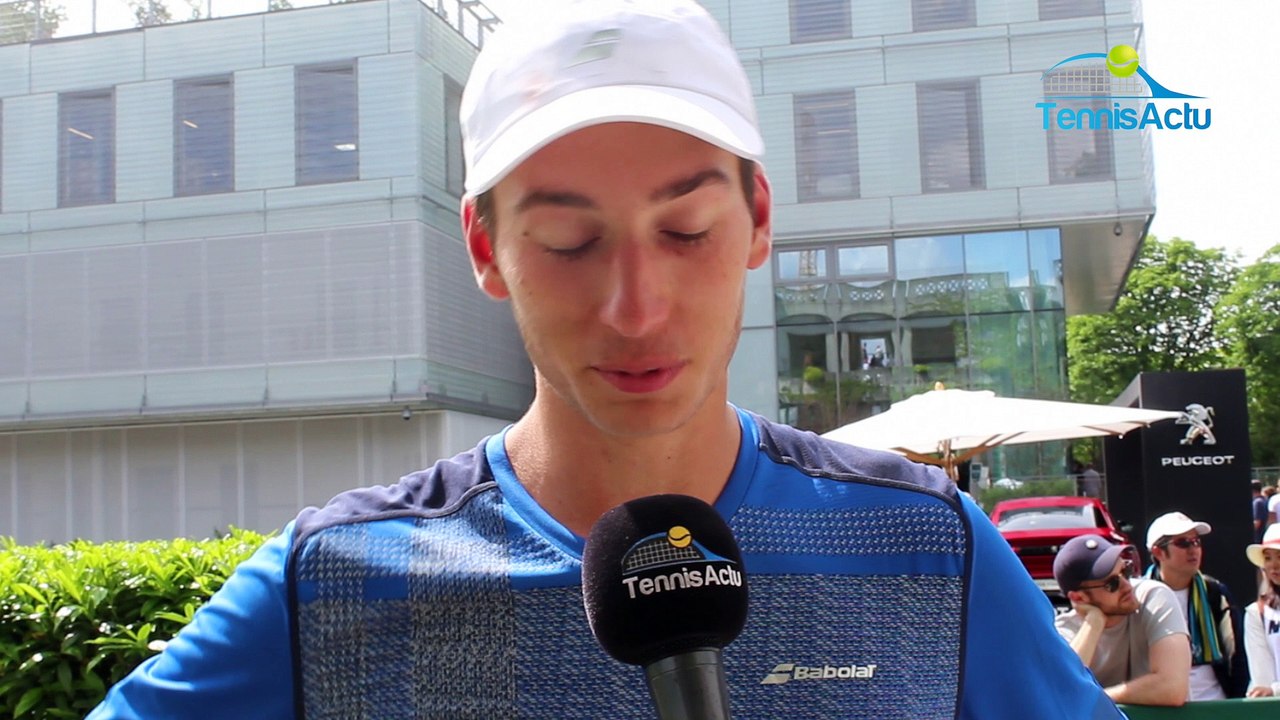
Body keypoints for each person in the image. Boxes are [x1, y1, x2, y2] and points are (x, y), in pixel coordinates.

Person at [88, 2, 1122, 718]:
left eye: (684, 231)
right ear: (486, 249)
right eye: (569, 242)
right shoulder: (335, 582)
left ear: (758, 220)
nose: (635, 309)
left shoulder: (928, 550)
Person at [1054, 535, 1191, 706]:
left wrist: (1095, 698)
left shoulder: (1153, 596)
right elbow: (1063, 692)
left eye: (1125, 571)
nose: (1127, 585)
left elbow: (1172, 688)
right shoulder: (1064, 632)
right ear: (1079, 598)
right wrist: (1094, 623)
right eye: (1111, 583)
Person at [1143, 512, 1247, 699]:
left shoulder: (1215, 592)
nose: (1193, 550)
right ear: (1158, 552)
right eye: (1183, 543)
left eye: (1196, 542)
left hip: (1216, 703)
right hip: (1162, 705)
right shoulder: (1140, 597)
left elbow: (1237, 654)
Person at [1244, 524, 1280, 696]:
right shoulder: (1256, 613)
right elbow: (1262, 682)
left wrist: (1274, 690)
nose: (1274, 566)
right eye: (1268, 558)